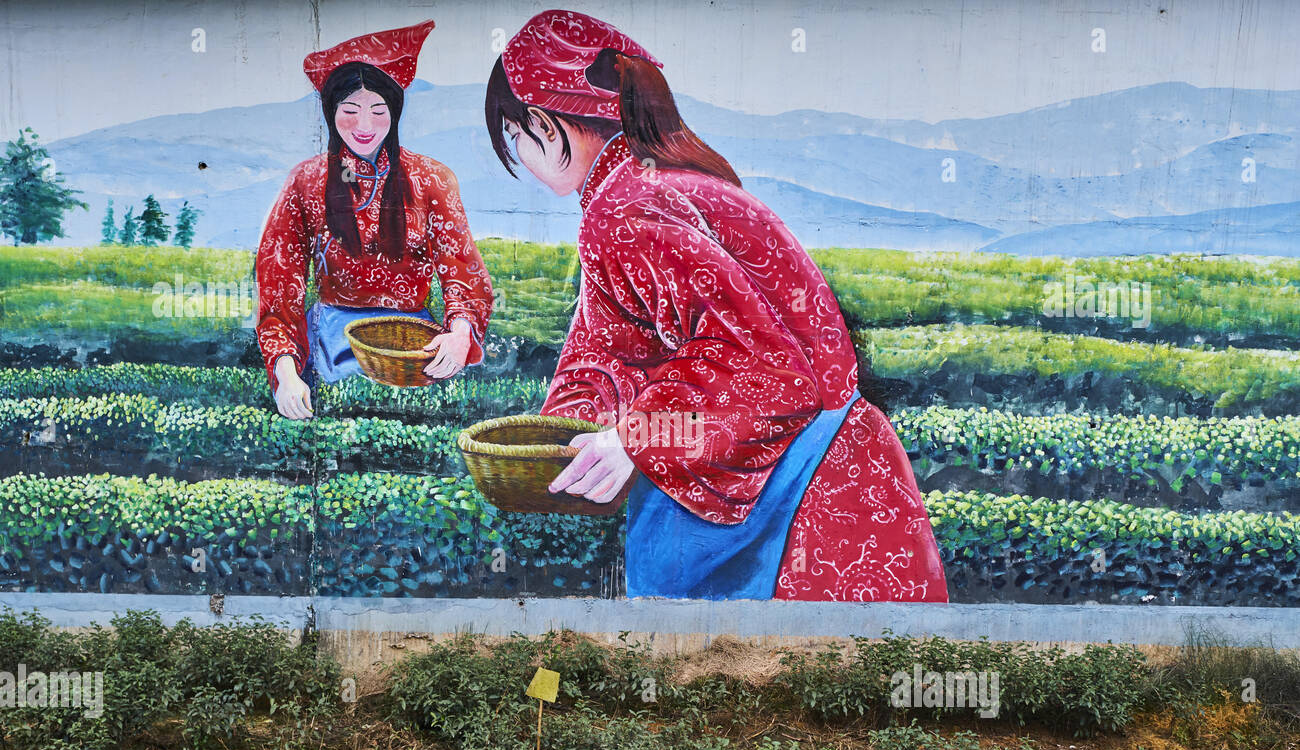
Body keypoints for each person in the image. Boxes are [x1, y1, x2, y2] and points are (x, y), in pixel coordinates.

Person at [484, 10, 948, 602]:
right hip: (820, 469)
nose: (518, 151)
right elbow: (608, 346)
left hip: (805, 488)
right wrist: (569, 432)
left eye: (515, 134)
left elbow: (764, 364)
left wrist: (635, 438)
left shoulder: (626, 208)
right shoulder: (643, 189)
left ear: (547, 125)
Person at [257, 20, 493, 419]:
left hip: (415, 345)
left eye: (377, 111)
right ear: (332, 112)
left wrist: (459, 334)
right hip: (331, 342)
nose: (364, 127)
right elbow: (279, 282)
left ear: (395, 113)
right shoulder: (306, 181)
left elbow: (462, 269)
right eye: (349, 110)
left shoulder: (431, 178)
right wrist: (285, 371)